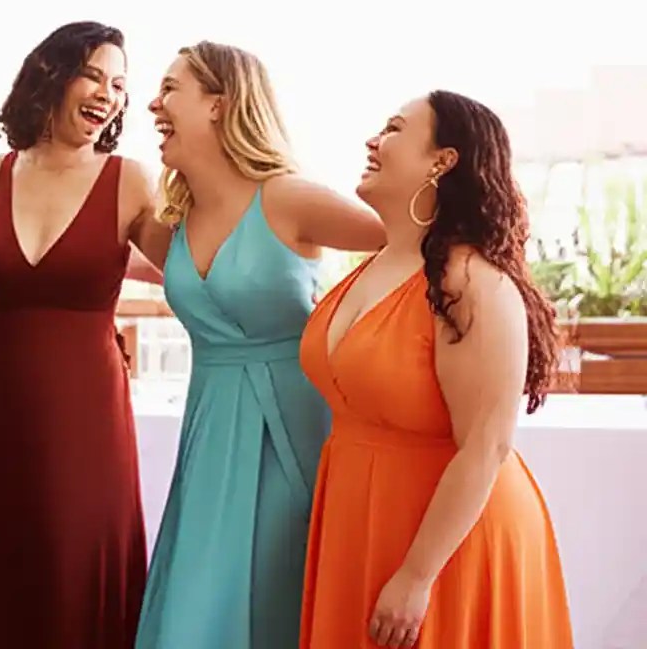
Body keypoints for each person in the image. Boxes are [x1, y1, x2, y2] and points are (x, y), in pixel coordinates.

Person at [298, 90, 574, 648]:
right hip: (361, 516)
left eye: (394, 129)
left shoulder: (471, 283)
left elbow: (486, 446)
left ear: (441, 161)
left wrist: (417, 575)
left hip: (444, 541)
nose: (373, 141)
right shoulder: (376, 266)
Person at [136, 42, 386, 649]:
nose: (153, 103)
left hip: (295, 429)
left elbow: (401, 241)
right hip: (210, 428)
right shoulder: (174, 222)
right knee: (197, 605)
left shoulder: (286, 197)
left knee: (284, 590)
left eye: (171, 89)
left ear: (219, 103)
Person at [0, 21, 164, 649]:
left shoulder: (132, 180)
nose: (108, 93)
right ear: (53, 74)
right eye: (94, 74)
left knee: (73, 564)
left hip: (86, 421)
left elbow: (196, 272)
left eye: (120, 83)